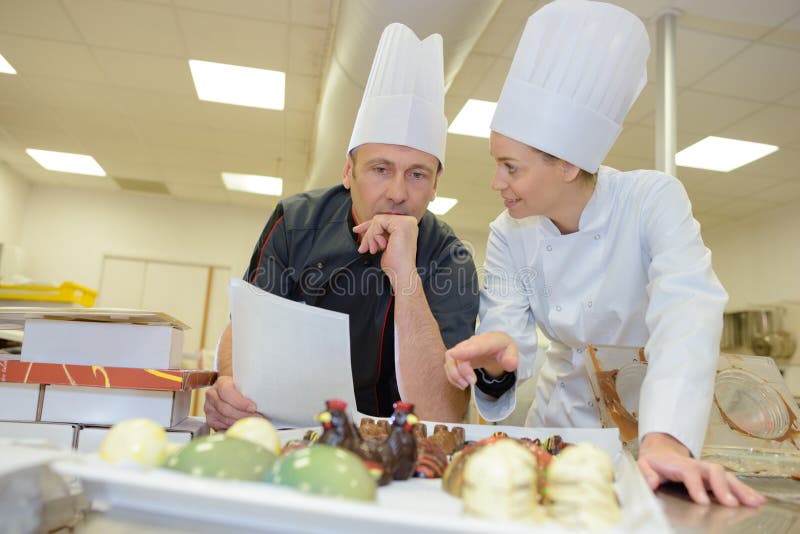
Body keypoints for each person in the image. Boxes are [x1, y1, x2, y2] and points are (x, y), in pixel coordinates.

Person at [443, 0, 764, 507]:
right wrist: (499, 363)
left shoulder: (650, 199)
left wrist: (667, 437)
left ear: (567, 164)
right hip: (558, 424)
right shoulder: (509, 233)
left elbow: (687, 307)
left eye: (510, 167)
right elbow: (509, 340)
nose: (495, 182)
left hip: (653, 430)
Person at [205, 23, 478, 430]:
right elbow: (245, 329)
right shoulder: (296, 222)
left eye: (418, 174)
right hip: (289, 428)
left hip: (394, 442)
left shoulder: (450, 259)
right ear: (348, 171)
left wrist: (405, 276)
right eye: (380, 169)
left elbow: (443, 414)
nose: (398, 193)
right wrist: (229, 386)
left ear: (436, 184)